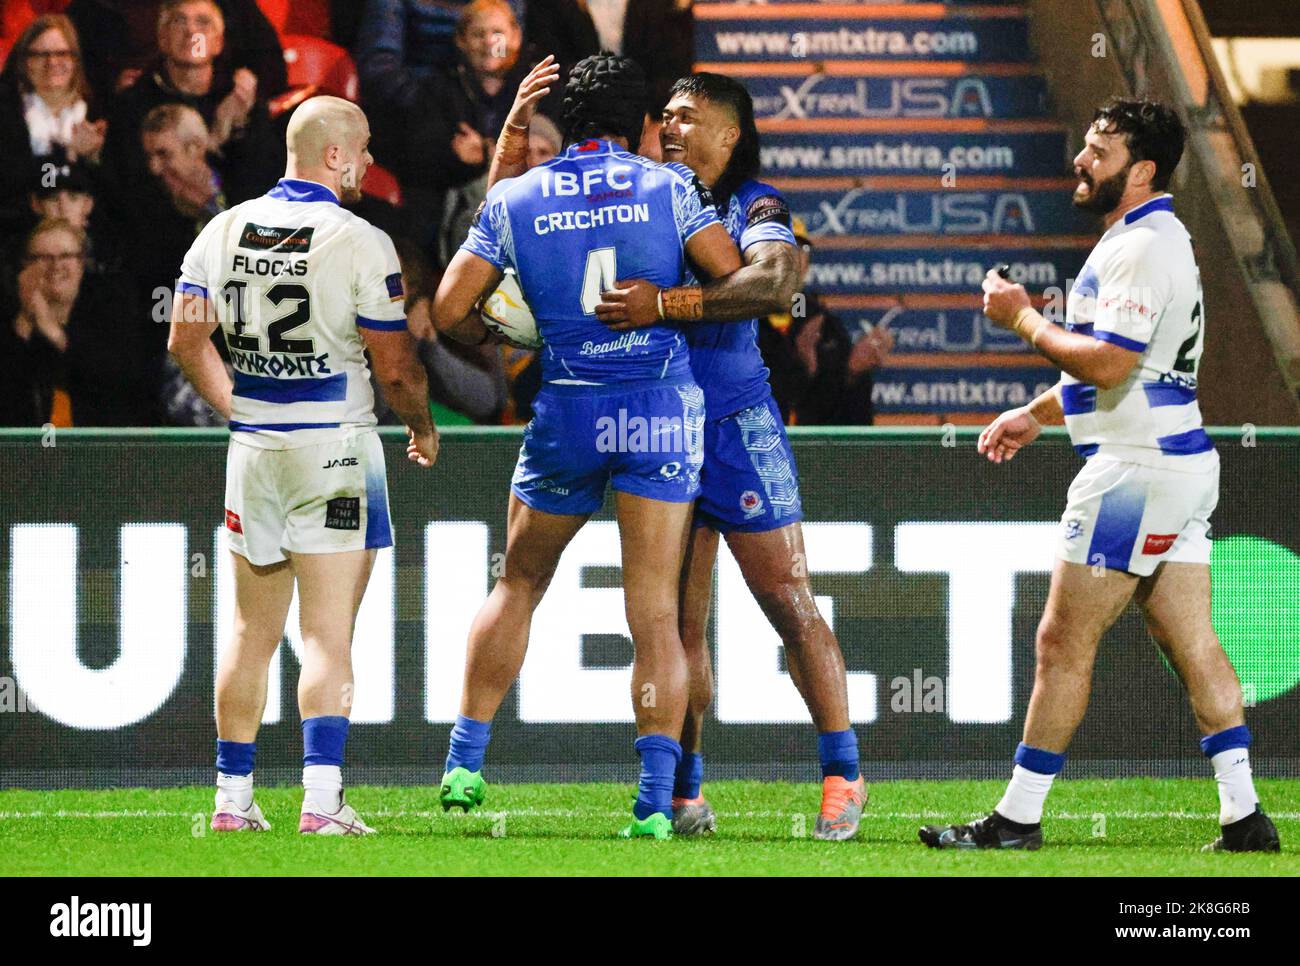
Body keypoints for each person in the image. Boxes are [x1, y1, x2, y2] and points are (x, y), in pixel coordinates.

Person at [920, 99, 1280, 853]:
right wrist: (1038, 413)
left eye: (1098, 149)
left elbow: (1112, 363)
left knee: (1061, 641)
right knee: (1194, 642)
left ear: (1141, 168)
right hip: (1177, 462)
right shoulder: (1149, 239)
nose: (1081, 160)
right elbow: (1132, 368)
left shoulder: (1143, 248)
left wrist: (1021, 318)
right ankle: (1245, 819)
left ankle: (1016, 820)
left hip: (1135, 472)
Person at [431, 54, 741, 838]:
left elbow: (446, 311)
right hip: (657, 407)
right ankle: (653, 801)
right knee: (654, 615)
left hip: (567, 407)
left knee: (520, 580)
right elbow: (732, 281)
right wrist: (667, 301)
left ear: (561, 125)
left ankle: (465, 761)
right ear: (640, 125)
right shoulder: (669, 188)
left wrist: (503, 326)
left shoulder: (517, 197)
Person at [594, 72, 867, 839]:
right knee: (676, 625)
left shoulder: (758, 204)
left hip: (736, 427)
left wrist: (668, 303)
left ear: (729, 135)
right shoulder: (645, 196)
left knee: (787, 600)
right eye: (666, 116)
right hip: (659, 428)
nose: (671, 128)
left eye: (688, 118)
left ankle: (844, 775)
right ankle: (685, 791)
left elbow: (776, 282)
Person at [168, 95, 439, 835]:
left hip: (253, 452)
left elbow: (186, 341)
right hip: (334, 450)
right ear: (333, 156)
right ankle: (321, 804)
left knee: (249, 632)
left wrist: (241, 409)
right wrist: (422, 425)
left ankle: (232, 801)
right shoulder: (360, 240)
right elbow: (396, 368)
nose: (371, 162)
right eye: (365, 149)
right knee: (325, 636)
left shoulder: (221, 230)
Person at [103, 0, 282, 213]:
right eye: (179, 21)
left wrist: (238, 129)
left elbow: (262, 187)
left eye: (203, 22)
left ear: (219, 42)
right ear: (162, 38)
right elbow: (126, 190)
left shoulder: (242, 103)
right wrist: (212, 141)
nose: (191, 31)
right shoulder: (132, 105)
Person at [0, 218, 153, 427]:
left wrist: (54, 333)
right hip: (25, 451)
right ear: (26, 265)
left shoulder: (111, 308)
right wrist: (25, 321)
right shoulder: (9, 316)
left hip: (103, 446)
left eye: (65, 256)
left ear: (81, 263)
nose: (55, 265)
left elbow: (121, 382)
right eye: (43, 257)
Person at [759, 217, 891, 425]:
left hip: (812, 453)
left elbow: (849, 425)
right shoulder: (740, 323)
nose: (795, 258)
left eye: (802, 249)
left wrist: (852, 374)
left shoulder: (823, 325)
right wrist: (801, 364)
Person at [0, 14, 105, 233]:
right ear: (24, 63)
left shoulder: (98, 114)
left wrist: (94, 157)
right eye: (40, 55)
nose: (52, 63)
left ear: (75, 60)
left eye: (62, 53)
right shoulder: (6, 116)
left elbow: (116, 193)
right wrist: (68, 155)